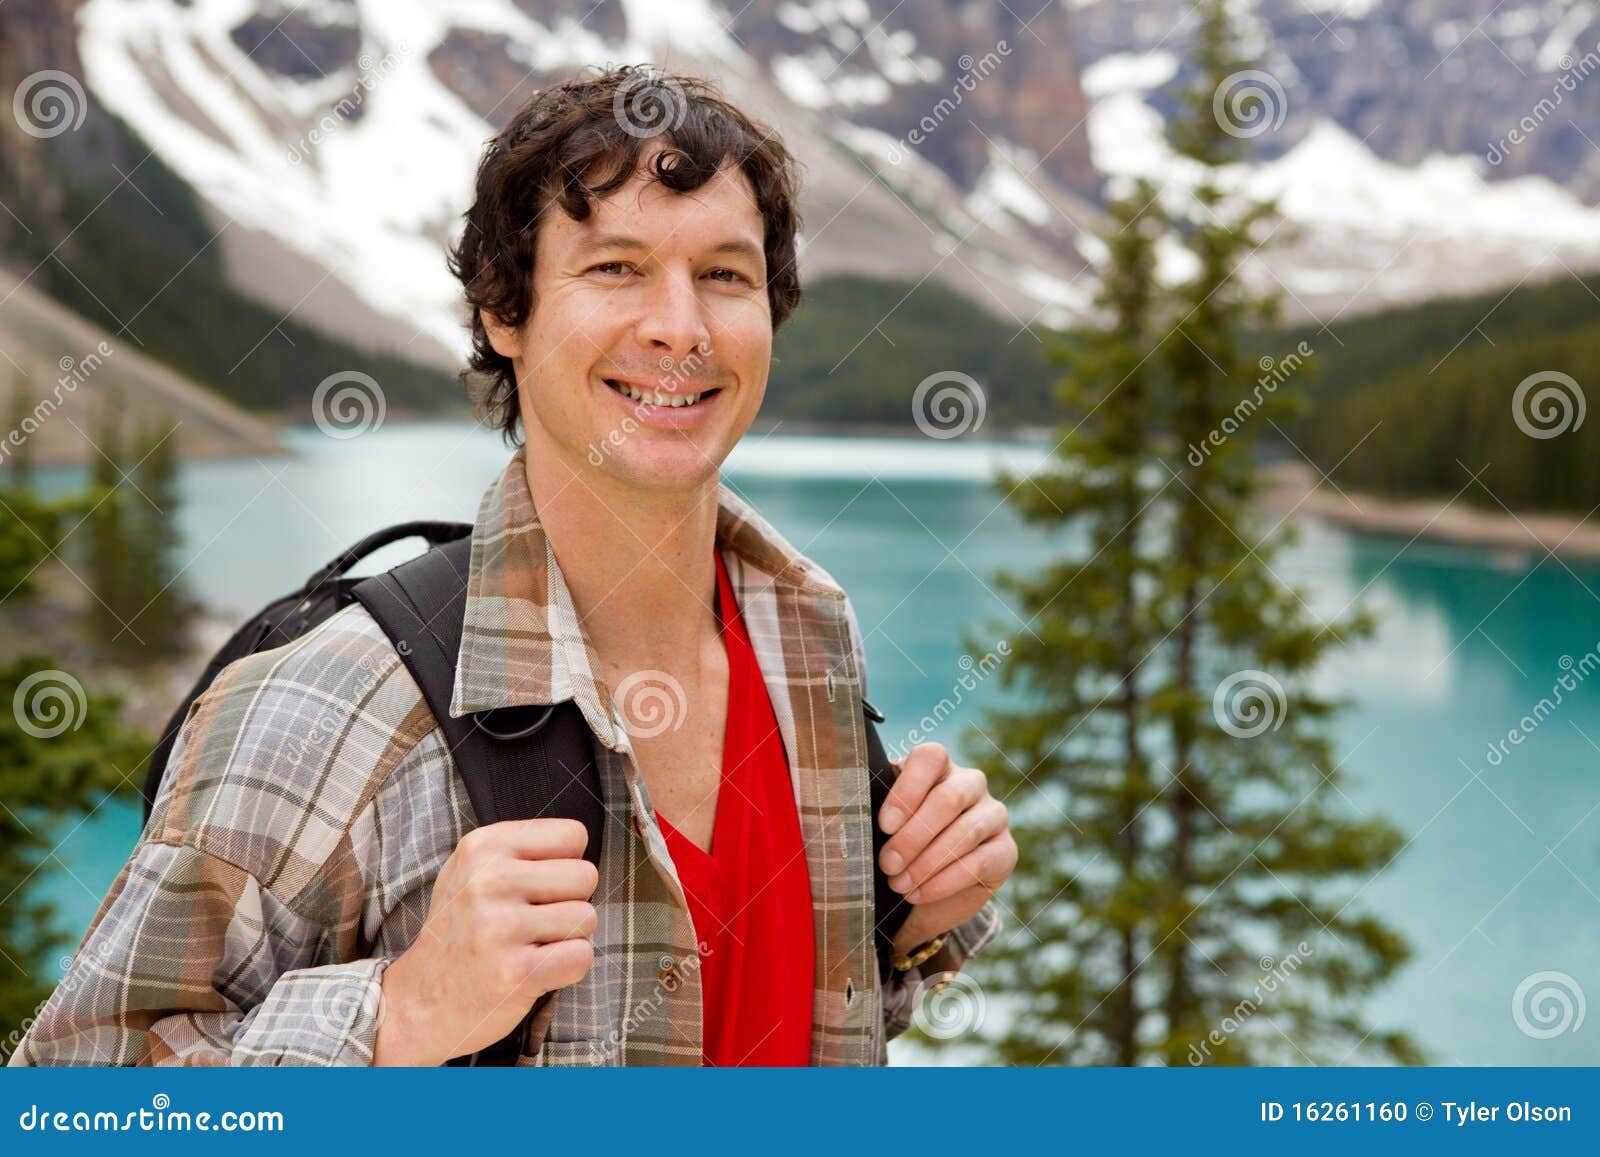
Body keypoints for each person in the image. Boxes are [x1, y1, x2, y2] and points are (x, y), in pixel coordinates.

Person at [11, 65, 1014, 1067]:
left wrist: (913, 926)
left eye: (724, 274)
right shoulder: (329, 704)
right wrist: (399, 1013)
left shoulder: (806, 655)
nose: (682, 326)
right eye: (615, 268)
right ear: (504, 312)